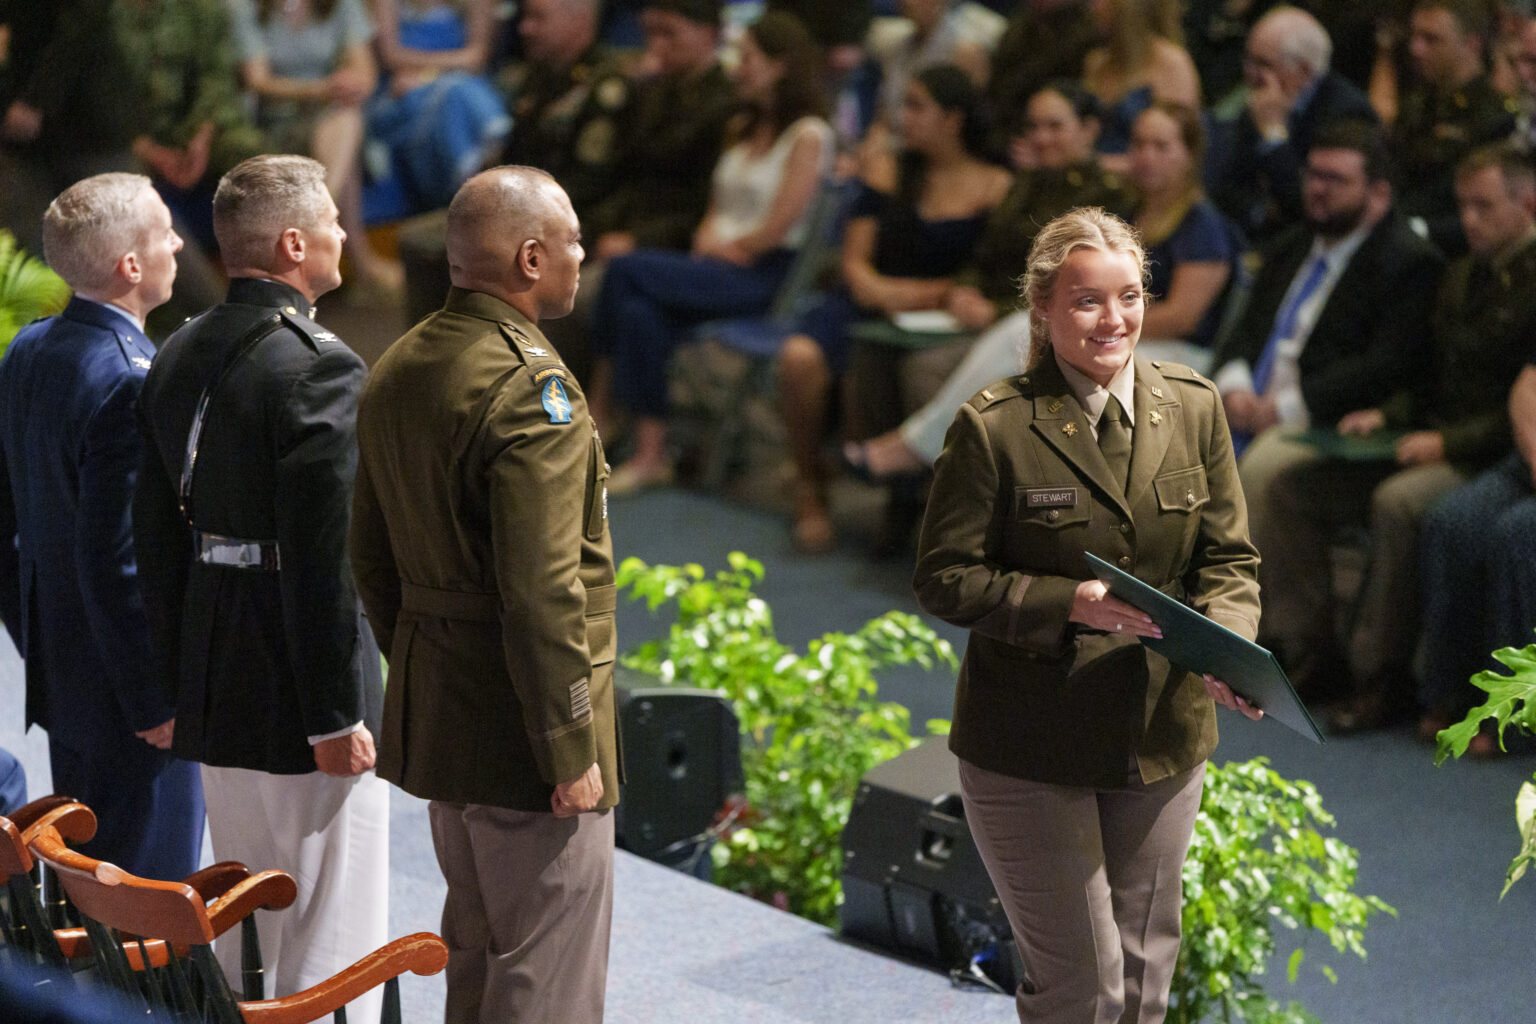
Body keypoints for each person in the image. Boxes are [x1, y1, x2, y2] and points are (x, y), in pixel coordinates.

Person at [913, 206, 1262, 1024]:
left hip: (1159, 737)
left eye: (1131, 297)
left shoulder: (1196, 407)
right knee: (1084, 989)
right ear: (1041, 309)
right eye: (1087, 302)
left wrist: (1229, 646)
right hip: (1031, 742)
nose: (1116, 321)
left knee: (1143, 987)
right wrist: (1063, 604)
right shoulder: (994, 428)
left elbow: (1231, 561)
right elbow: (944, 578)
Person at [350, 166, 620, 1024]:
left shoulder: (399, 362)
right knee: (547, 971)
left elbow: (371, 556)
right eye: (573, 239)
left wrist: (427, 662)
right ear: (531, 259)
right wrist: (571, 743)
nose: (584, 252)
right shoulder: (530, 391)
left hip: (446, 707)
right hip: (524, 730)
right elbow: (543, 591)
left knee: (474, 944)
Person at [132, 155, 388, 1017]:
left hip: (214, 669)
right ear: (292, 244)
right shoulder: (321, 366)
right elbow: (322, 558)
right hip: (296, 685)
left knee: (249, 914)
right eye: (332, 223)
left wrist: (175, 681)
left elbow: (155, 538)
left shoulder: (175, 349)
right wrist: (335, 712)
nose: (345, 235)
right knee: (327, 929)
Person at [1259, 143, 1536, 733]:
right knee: (1293, 489)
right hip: (1425, 435)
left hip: (1490, 451)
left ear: (1528, 202)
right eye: (1463, 206)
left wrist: (1447, 443)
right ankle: (1309, 651)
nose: (1470, 220)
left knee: (1399, 503)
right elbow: (1428, 373)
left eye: (1484, 207)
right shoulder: (1461, 273)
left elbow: (1521, 400)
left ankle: (1381, 677)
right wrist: (1389, 412)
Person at [843, 98, 1225, 480]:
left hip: (1175, 350)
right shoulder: (1129, 212)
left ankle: (918, 450)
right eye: (1139, 145)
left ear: (1189, 156)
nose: (1146, 157)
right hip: (1117, 336)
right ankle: (948, 467)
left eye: (1161, 147)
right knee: (1021, 335)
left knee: (1027, 337)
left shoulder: (1200, 225)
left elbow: (1183, 316)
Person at [0, 173, 204, 880]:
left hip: (68, 673)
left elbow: (7, 526)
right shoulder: (130, 379)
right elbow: (116, 556)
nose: (179, 243)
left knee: (87, 885)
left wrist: (40, 640)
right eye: (164, 233)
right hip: (131, 698)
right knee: (145, 907)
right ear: (131, 266)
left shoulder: (28, 351)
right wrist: (152, 697)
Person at [588, 10, 833, 493]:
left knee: (623, 270)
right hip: (718, 262)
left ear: (780, 65)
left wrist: (728, 247)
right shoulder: (741, 126)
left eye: (747, 58)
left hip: (763, 274)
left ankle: (599, 410)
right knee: (640, 313)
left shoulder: (809, 134)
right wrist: (706, 238)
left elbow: (782, 223)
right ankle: (651, 454)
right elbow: (715, 205)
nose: (737, 67)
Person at [778, 64, 1011, 552]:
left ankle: (910, 501)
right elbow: (855, 267)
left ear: (953, 119)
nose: (904, 117)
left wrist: (930, 299)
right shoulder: (888, 168)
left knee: (919, 368)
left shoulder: (995, 185)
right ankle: (810, 489)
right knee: (798, 358)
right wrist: (905, 295)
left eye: (916, 106)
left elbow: (985, 279)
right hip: (864, 305)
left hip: (942, 323)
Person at [227, 0, 402, 293]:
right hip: (273, 123)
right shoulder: (244, 8)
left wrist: (351, 85)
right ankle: (358, 260)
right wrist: (322, 89)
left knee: (345, 121)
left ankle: (317, 220)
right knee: (344, 135)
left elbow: (366, 72)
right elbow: (257, 80)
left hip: (331, 114)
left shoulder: (342, 4)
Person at [1417, 360, 1536, 753]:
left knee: (1516, 534)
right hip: (1527, 461)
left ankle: (1509, 718)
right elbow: (1527, 384)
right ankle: (1449, 697)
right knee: (1452, 524)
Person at [1209, 5, 1378, 244]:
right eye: (1248, 60)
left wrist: (1274, 135)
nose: (1251, 74)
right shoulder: (1261, 101)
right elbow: (1231, 183)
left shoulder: (1345, 112)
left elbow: (1306, 201)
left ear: (1305, 71)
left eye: (1264, 65)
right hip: (1256, 235)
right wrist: (1259, 214)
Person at [1391, 0, 1516, 255]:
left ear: (1471, 44)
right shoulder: (1416, 105)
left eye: (1432, 39)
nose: (1415, 49)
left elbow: (1482, 208)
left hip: (1442, 249)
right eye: (1414, 36)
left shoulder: (1493, 117)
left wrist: (1417, 229)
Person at [366, 0, 510, 218]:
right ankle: (477, 195)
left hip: (460, 89)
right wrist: (448, 68)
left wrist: (427, 73)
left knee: (456, 93)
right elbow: (391, 56)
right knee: (456, 92)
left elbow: (476, 58)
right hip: (402, 99)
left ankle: (480, 192)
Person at [1081, 0, 1200, 170]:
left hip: (1144, 182)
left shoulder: (1171, 63)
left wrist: (1097, 165)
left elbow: (1177, 155)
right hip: (1093, 182)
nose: (1092, 6)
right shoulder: (1095, 63)